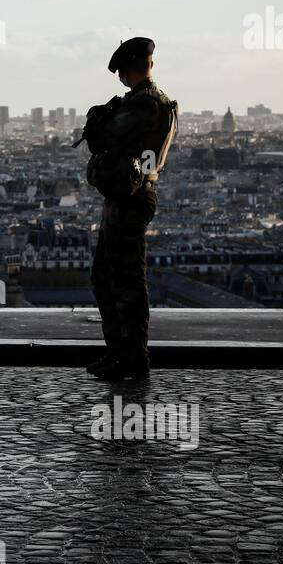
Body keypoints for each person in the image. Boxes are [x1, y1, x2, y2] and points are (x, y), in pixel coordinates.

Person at [81, 37, 177, 381]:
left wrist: (99, 120)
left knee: (123, 281)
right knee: (112, 278)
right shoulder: (158, 101)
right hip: (132, 194)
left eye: (121, 70)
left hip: (131, 198)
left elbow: (104, 134)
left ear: (128, 68)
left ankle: (130, 356)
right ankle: (121, 354)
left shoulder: (145, 104)